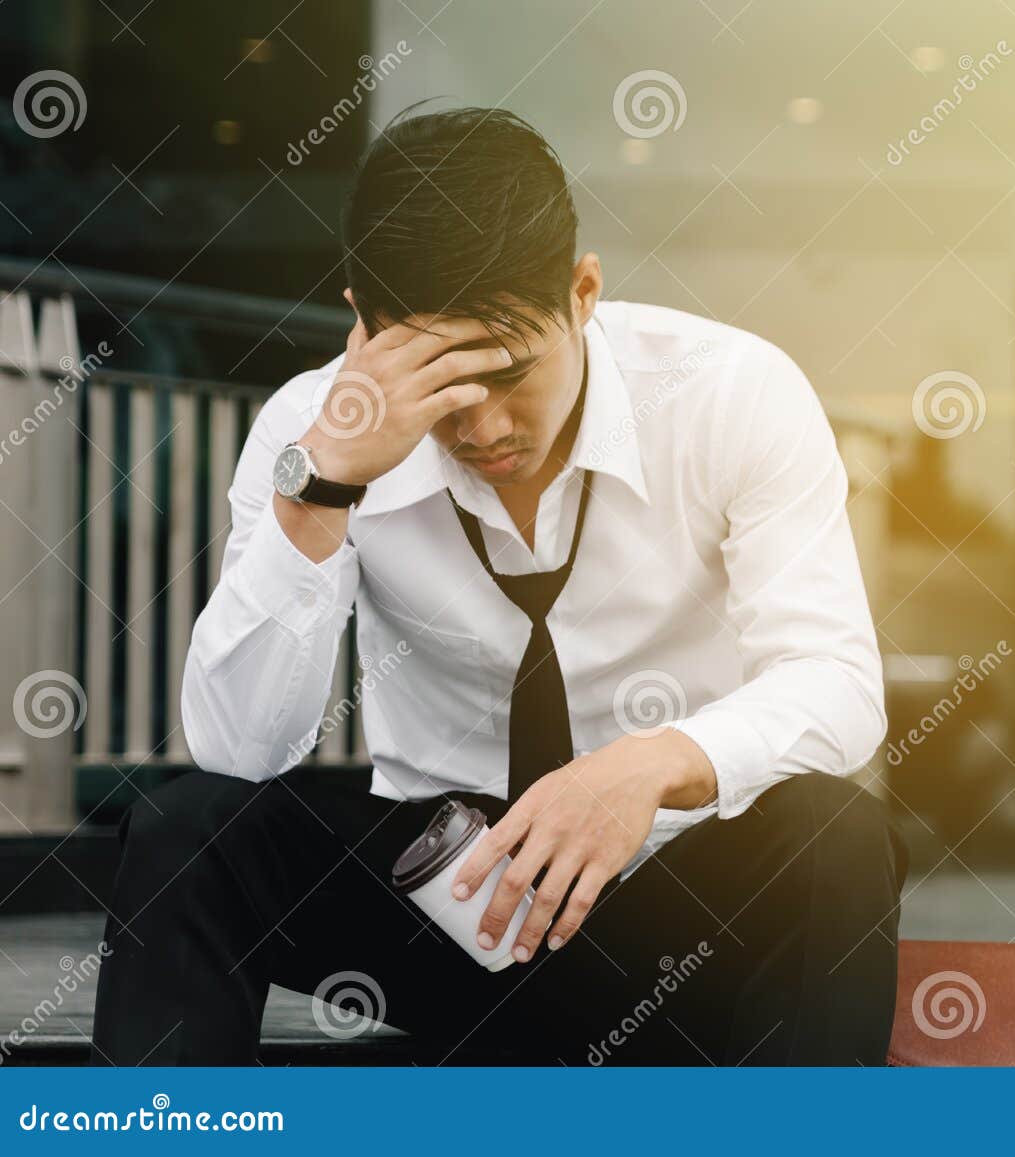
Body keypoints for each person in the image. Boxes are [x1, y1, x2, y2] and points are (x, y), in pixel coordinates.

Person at [91, 106, 906, 1066]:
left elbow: (837, 683)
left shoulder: (732, 393)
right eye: (440, 382)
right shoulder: (310, 434)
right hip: (437, 907)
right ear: (364, 325)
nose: (480, 424)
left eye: (511, 369)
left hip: (669, 913)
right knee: (189, 830)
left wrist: (645, 767)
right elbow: (239, 749)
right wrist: (323, 492)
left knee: (839, 836)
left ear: (584, 290)